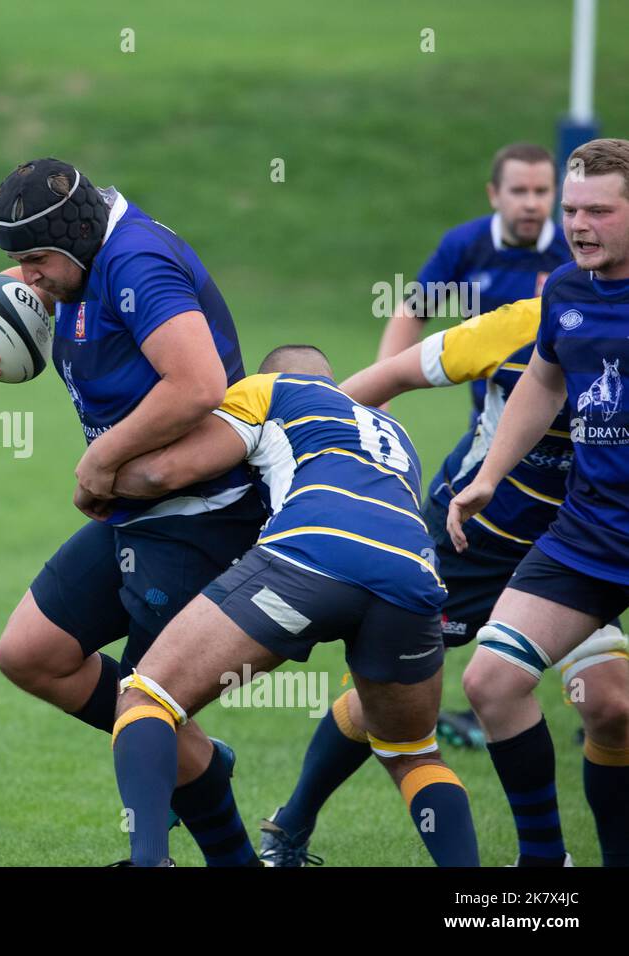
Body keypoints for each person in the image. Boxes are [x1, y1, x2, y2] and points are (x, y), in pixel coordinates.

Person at [0, 158, 265, 863]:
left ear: (76, 235)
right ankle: (205, 775)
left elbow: (199, 383)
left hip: (203, 513)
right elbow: (30, 280)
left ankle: (168, 855)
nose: (30, 276)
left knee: (147, 710)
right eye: (17, 261)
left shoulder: (136, 262)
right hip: (135, 508)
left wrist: (101, 458)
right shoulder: (81, 250)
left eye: (35, 260)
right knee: (32, 655)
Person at [257, 297, 629, 865]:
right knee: (387, 698)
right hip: (468, 541)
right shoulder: (513, 328)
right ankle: (292, 821)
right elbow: (382, 380)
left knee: (612, 705)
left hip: (574, 549)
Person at [106, 346, 478, 867]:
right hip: (414, 580)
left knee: (146, 696)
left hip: (310, 558)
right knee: (414, 754)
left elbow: (164, 475)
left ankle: (149, 861)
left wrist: (100, 477)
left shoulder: (269, 390)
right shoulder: (393, 432)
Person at [450, 138, 629, 867]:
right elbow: (546, 379)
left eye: (599, 211)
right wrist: (490, 473)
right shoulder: (566, 288)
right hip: (590, 532)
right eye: (570, 209)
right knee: (491, 681)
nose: (578, 224)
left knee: (611, 706)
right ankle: (543, 866)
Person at [375, 143, 570, 418]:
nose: (530, 203)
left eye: (541, 191)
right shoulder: (464, 245)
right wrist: (381, 392)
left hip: (562, 419)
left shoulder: (574, 253)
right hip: (486, 419)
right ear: (494, 194)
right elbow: (413, 311)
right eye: (518, 191)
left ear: (556, 194)